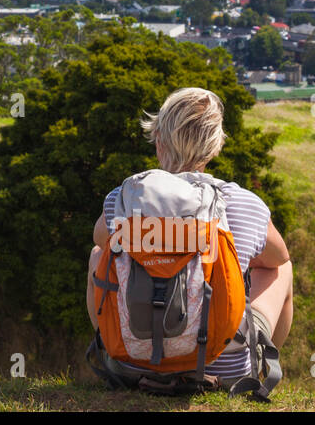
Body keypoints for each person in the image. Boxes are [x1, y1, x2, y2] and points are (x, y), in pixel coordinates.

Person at [88, 87, 293, 384]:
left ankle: (115, 353)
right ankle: (254, 362)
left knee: (98, 255)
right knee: (281, 269)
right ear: (215, 146)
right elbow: (280, 256)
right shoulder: (245, 203)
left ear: (158, 142)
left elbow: (98, 239)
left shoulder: (123, 198)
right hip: (226, 374)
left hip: (133, 369)